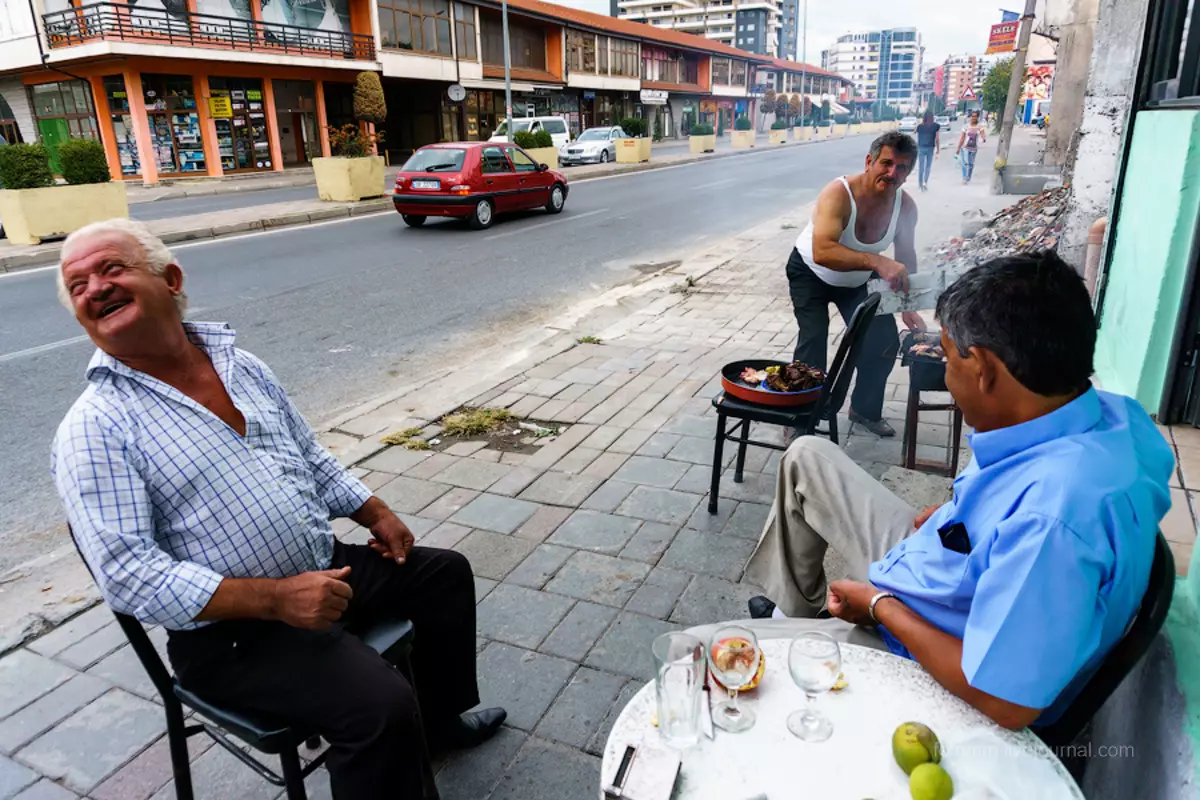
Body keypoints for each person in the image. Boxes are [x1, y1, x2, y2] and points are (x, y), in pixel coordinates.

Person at [51, 219, 505, 799]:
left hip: (323, 568)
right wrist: (275, 599)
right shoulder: (95, 427)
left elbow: (308, 454)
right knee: (380, 708)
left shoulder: (242, 366)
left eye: (111, 268)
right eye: (78, 284)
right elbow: (126, 574)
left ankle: (436, 727)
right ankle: (400, 736)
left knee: (444, 574)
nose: (94, 288)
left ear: (170, 278)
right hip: (234, 635)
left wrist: (374, 510)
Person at [740, 251, 1173, 731]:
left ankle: (800, 640)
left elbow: (1005, 702)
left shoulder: (1054, 518)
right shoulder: (1111, 416)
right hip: (948, 565)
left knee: (694, 655)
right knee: (807, 456)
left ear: (985, 369)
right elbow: (1019, 517)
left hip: (925, 653)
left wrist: (880, 608)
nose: (946, 374)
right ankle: (797, 619)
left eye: (948, 357)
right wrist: (962, 516)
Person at [787, 132, 926, 438]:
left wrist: (909, 305)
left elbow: (905, 256)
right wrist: (877, 261)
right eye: (886, 163)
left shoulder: (906, 207)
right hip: (810, 272)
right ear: (869, 161)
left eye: (902, 168)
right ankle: (799, 419)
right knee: (813, 340)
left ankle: (864, 409)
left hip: (858, 279)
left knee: (882, 344)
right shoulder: (839, 193)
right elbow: (823, 250)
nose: (892, 173)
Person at [957, 111, 987, 184]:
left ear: (977, 117)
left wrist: (983, 138)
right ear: (970, 117)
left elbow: (983, 135)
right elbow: (962, 138)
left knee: (971, 164)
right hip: (965, 147)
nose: (973, 118)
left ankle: (968, 177)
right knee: (965, 163)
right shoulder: (966, 127)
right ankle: (964, 178)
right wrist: (958, 148)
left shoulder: (979, 127)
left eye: (975, 116)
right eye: (972, 116)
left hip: (974, 148)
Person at [914, 110, 941, 192]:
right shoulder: (936, 126)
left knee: (921, 167)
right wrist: (938, 150)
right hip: (930, 148)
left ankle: (920, 185)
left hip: (921, 147)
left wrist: (918, 124)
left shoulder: (920, 126)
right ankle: (925, 183)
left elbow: (914, 132)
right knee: (928, 166)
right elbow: (937, 139)